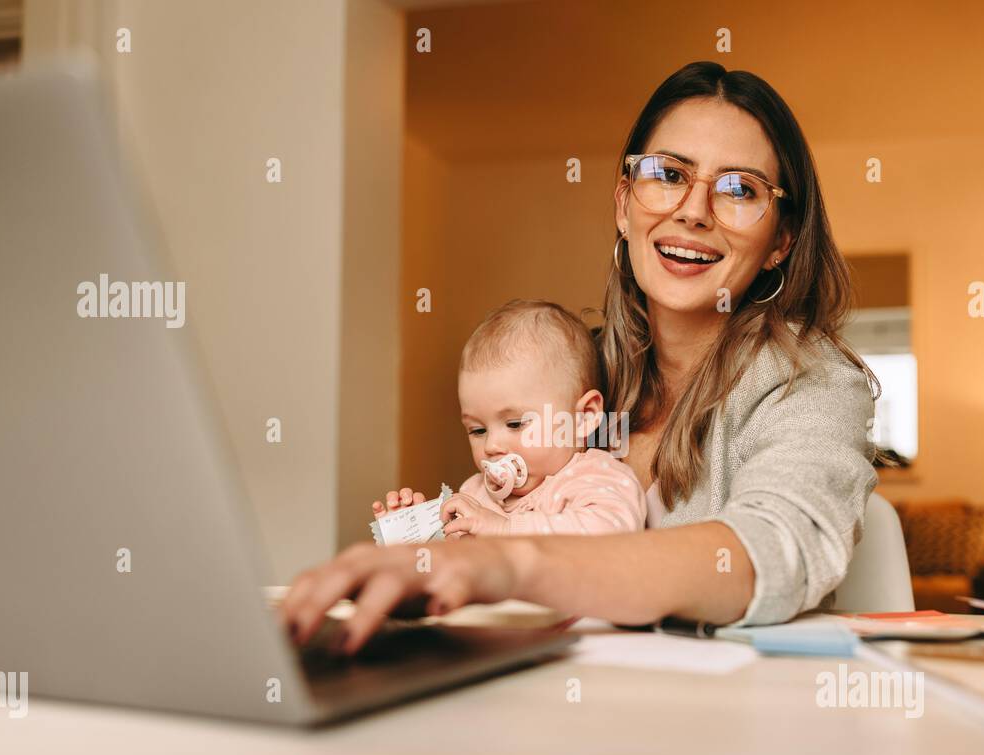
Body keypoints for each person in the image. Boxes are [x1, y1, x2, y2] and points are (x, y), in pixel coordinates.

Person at [281, 60, 878, 653]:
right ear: (625, 205)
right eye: (668, 174)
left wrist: (510, 561)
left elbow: (769, 551)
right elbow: (488, 512)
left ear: (781, 240)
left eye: (739, 189)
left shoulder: (814, 386)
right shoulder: (572, 372)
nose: (694, 211)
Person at [371, 298, 646, 537]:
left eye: (515, 424)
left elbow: (611, 537)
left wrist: (505, 529)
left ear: (584, 417)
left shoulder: (596, 477)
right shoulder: (475, 492)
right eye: (477, 430)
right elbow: (451, 566)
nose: (492, 446)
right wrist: (417, 531)